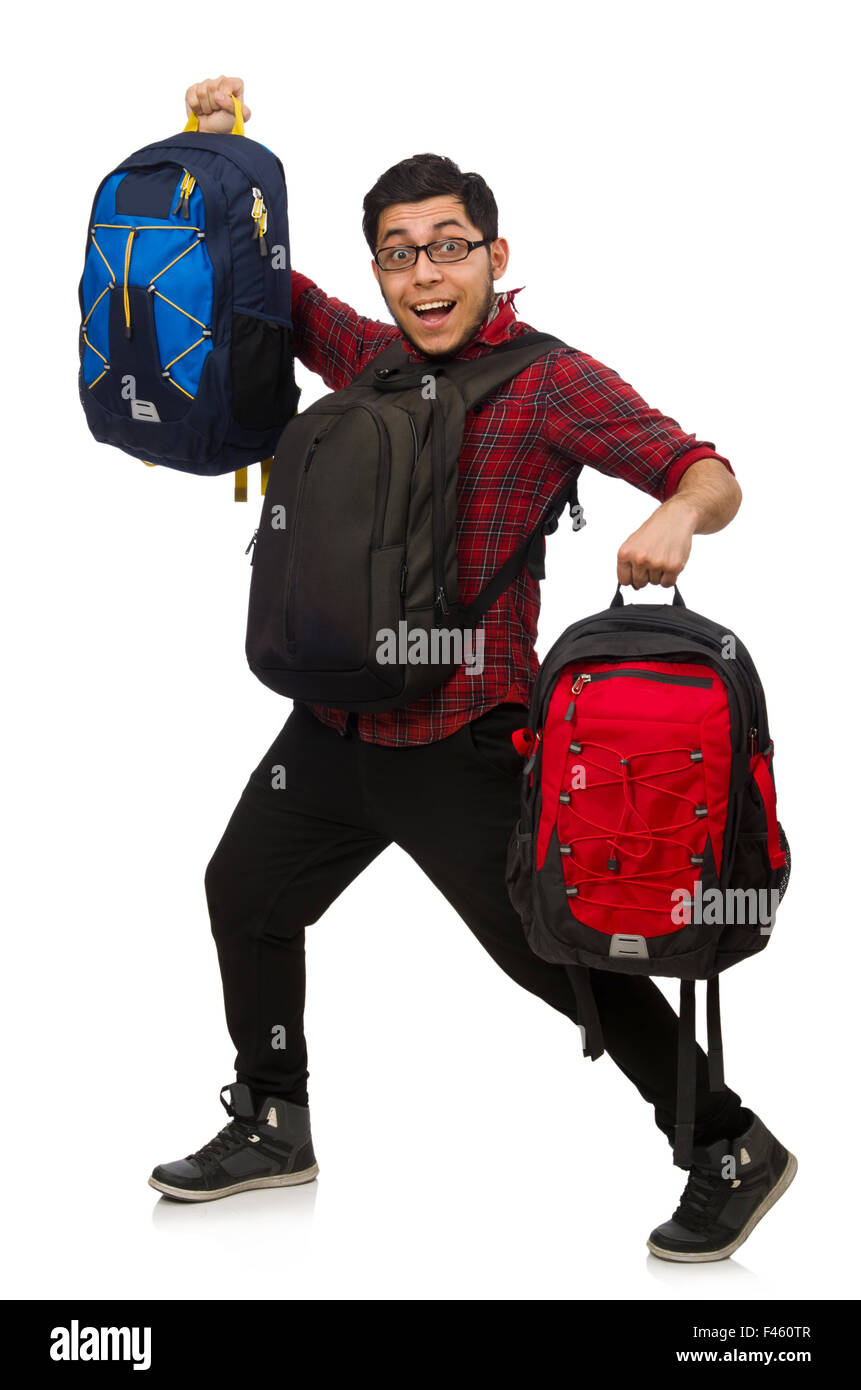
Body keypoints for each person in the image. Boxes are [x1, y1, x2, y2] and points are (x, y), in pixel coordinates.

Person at [150, 75, 797, 1262]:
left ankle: (728, 1144)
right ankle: (273, 1118)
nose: (425, 275)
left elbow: (707, 466)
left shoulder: (552, 380)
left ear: (496, 253)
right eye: (400, 255)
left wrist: (678, 519)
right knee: (243, 891)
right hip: (335, 726)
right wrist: (213, 153)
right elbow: (264, 287)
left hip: (465, 735)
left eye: (448, 247)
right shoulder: (370, 356)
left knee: (556, 958)